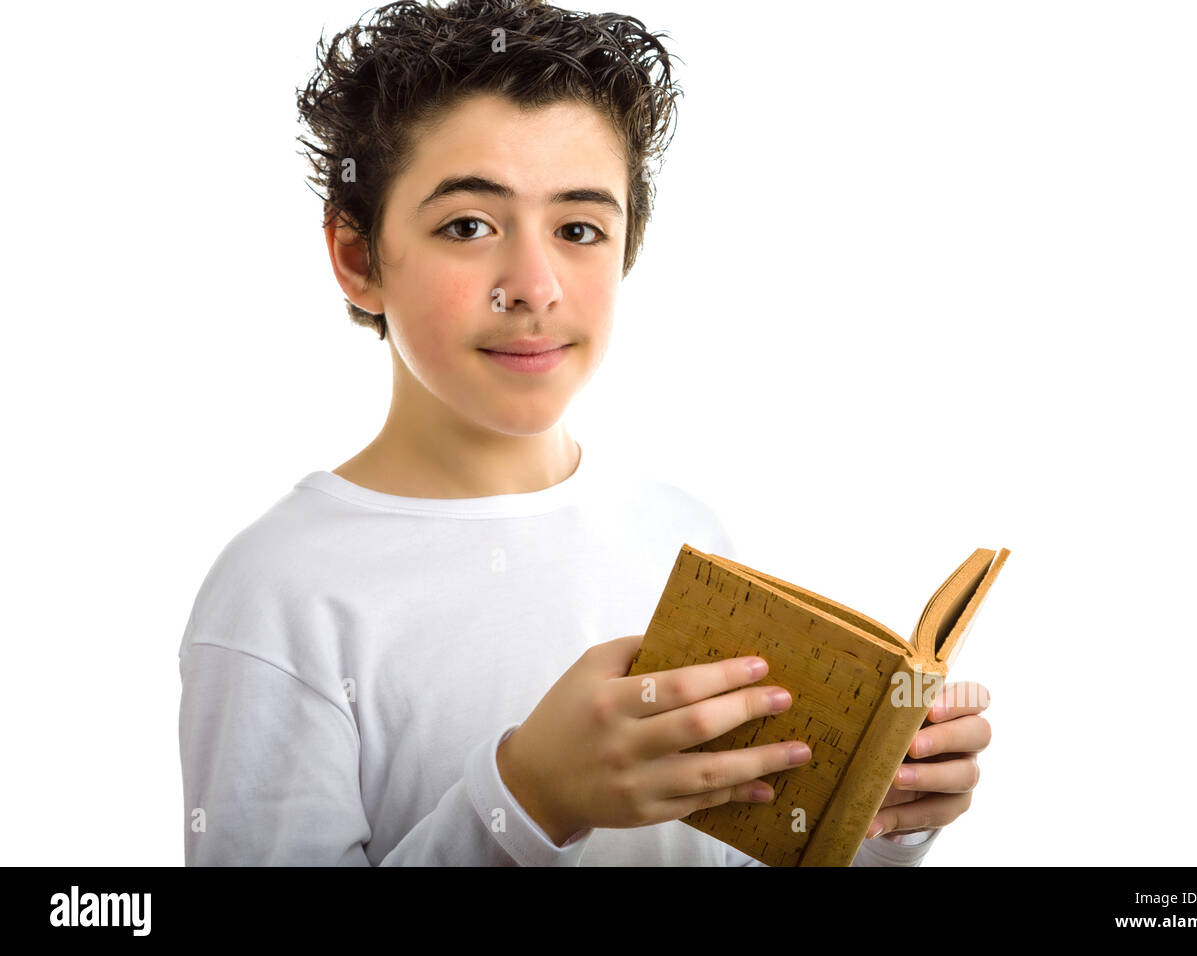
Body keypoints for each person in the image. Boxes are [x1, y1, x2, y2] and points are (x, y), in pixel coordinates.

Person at [178, 0, 991, 866]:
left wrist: (878, 813)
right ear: (358, 257)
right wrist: (531, 798)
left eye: (578, 229)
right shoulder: (278, 595)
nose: (533, 286)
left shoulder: (684, 535)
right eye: (468, 226)